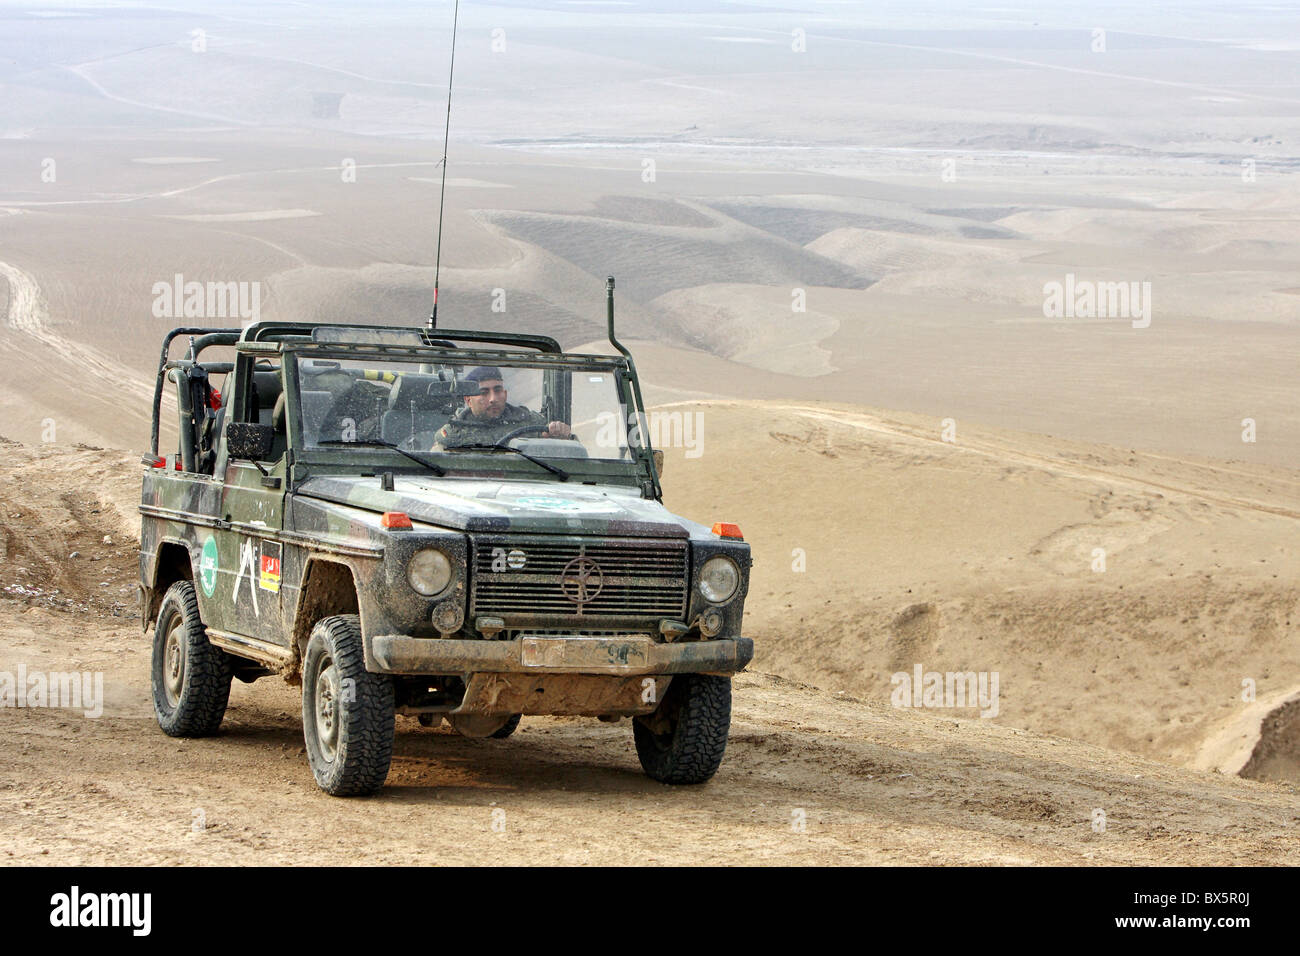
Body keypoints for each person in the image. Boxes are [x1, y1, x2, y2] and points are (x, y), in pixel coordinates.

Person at [432, 366, 571, 448]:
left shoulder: (531, 423)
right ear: (468, 400)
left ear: (505, 393)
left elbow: (568, 455)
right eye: (483, 393)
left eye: (497, 390)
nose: (493, 399)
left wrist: (560, 435)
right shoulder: (454, 433)